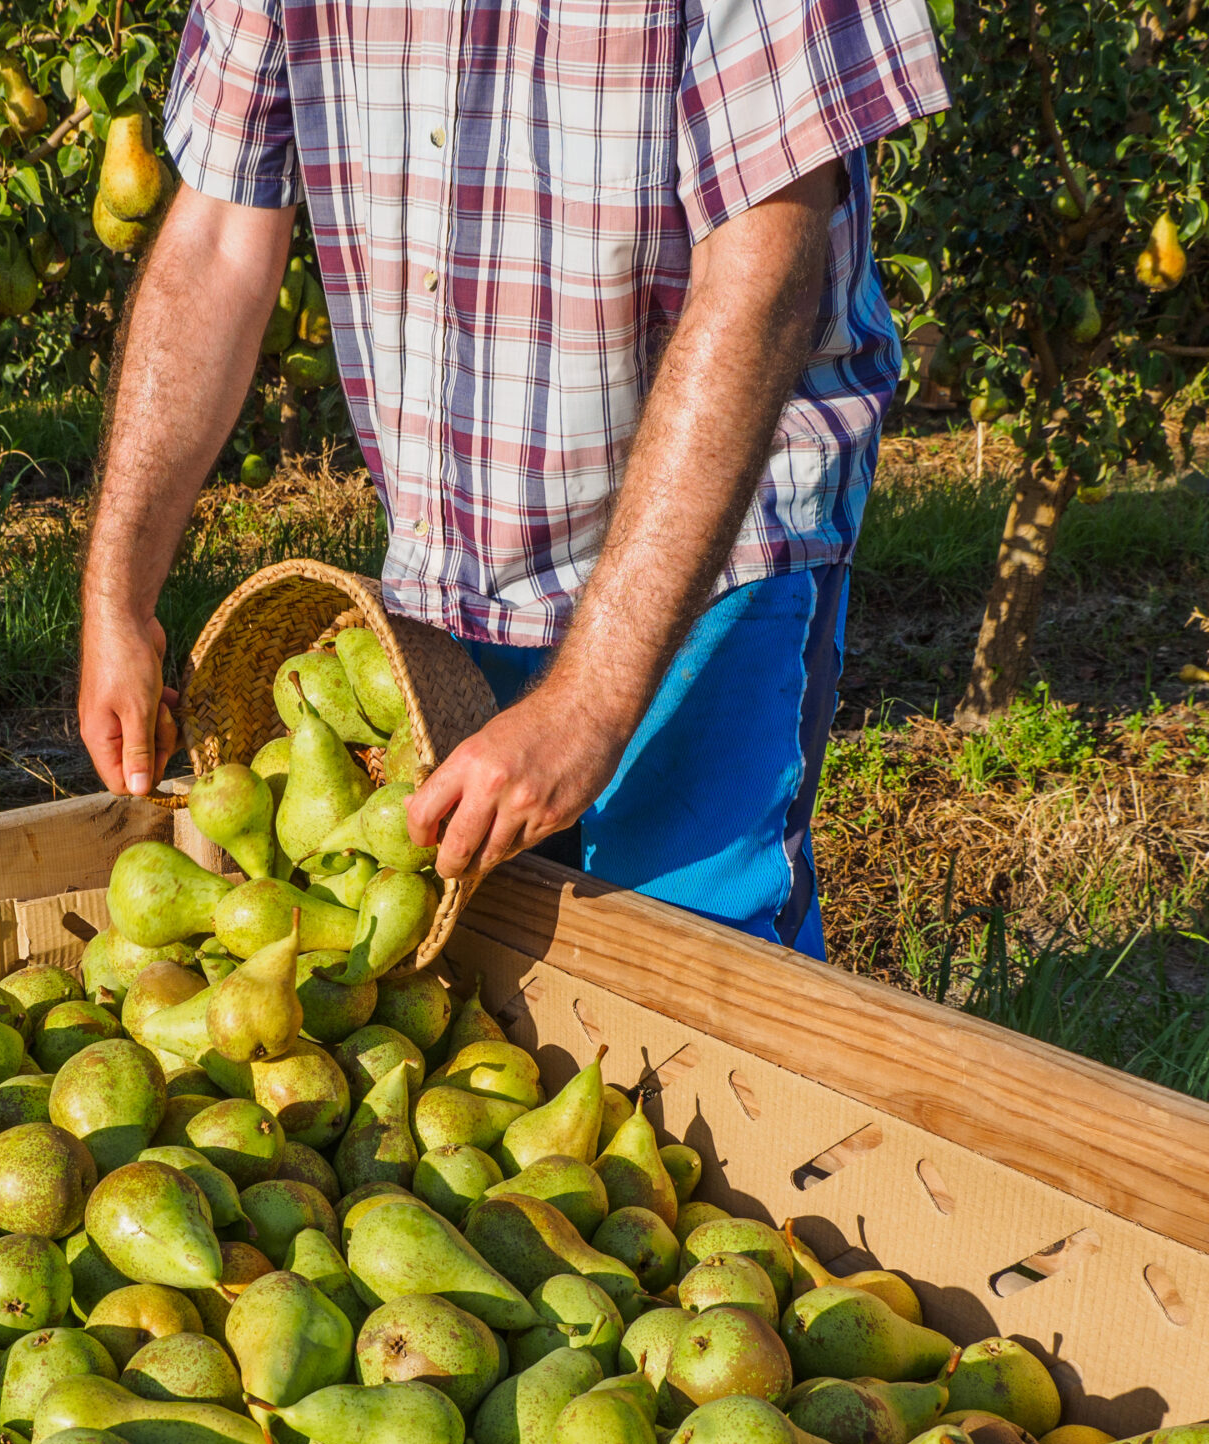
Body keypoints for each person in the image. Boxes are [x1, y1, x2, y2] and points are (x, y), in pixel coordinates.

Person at [75, 0, 947, 953]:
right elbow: (215, 241)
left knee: (694, 975)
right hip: (454, 553)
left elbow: (765, 272)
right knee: (474, 980)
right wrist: (118, 593)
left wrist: (589, 705)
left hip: (713, 548)